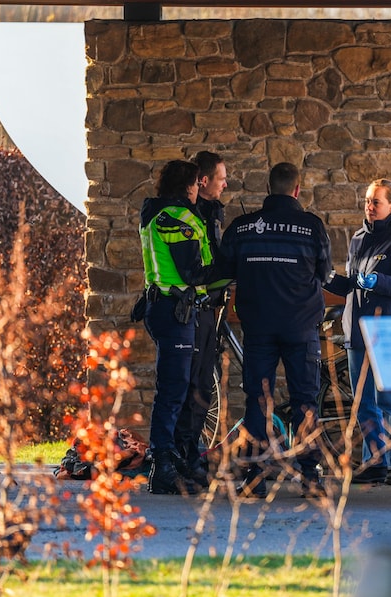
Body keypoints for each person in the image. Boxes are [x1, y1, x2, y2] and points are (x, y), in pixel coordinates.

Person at [219, 162, 333, 498]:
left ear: (269, 188)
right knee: (305, 401)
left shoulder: (241, 228)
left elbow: (225, 269)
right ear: (297, 190)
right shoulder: (312, 227)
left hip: (258, 327)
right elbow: (324, 272)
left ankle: (254, 477)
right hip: (301, 327)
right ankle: (310, 477)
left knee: (257, 399)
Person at [324, 179, 391, 484]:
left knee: (390, 402)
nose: (370, 207)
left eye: (376, 202)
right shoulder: (357, 238)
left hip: (388, 330)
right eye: (367, 201)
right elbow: (352, 285)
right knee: (363, 402)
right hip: (357, 331)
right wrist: (326, 277)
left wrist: (378, 282)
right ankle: (376, 462)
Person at [138, 159, 223, 496]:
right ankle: (162, 465)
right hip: (177, 310)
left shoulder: (155, 214)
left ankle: (169, 459)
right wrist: (225, 270)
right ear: (189, 186)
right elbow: (192, 271)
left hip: (164, 306)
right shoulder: (178, 217)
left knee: (175, 388)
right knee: (173, 391)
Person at [173, 151, 229, 486]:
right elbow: (197, 268)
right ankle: (184, 457)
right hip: (192, 308)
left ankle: (190, 454)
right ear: (203, 181)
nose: (225, 183)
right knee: (192, 384)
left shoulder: (209, 213)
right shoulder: (190, 216)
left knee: (202, 384)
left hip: (206, 307)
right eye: (221, 178)